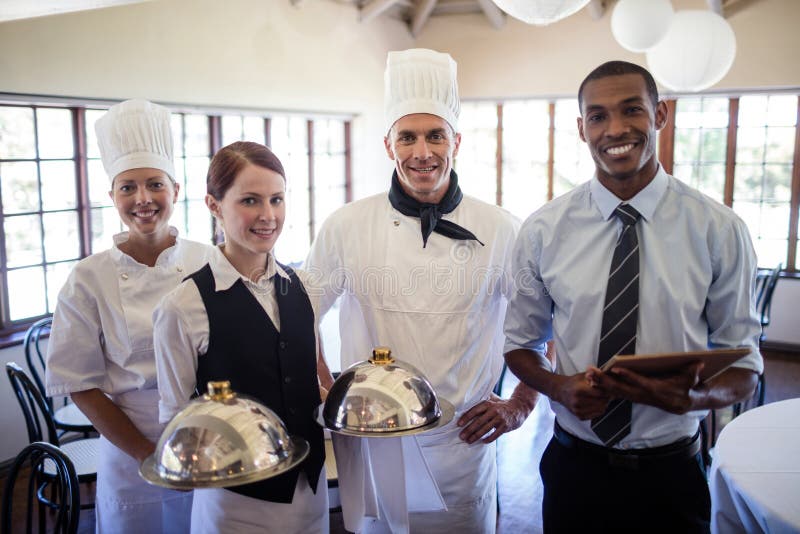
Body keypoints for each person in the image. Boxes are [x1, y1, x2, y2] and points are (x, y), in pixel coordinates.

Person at [503, 60, 763, 533]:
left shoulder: (718, 230)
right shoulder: (542, 230)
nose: (615, 129)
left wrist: (693, 398)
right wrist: (559, 387)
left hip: (672, 475)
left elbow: (745, 369)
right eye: (598, 116)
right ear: (582, 129)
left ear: (660, 114)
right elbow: (521, 344)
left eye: (632, 111)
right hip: (573, 470)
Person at [304, 48, 540, 534]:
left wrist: (520, 404)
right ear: (388, 145)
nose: (422, 152)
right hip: (371, 442)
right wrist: (327, 389)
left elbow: (541, 325)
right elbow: (298, 314)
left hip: (462, 447)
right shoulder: (347, 225)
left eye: (435, 135)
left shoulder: (501, 229)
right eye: (407, 137)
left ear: (456, 139)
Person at [45, 99, 213, 533]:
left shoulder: (212, 260)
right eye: (128, 188)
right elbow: (80, 385)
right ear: (112, 197)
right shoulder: (88, 278)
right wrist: (146, 453)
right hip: (130, 449)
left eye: (155, 184)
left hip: (209, 439)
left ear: (176, 190)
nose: (143, 199)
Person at [153, 141, 332, 533]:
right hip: (234, 504)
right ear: (214, 205)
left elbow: (308, 377)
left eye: (277, 199)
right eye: (250, 200)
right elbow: (175, 419)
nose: (268, 216)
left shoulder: (306, 286)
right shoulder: (182, 307)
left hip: (312, 493)